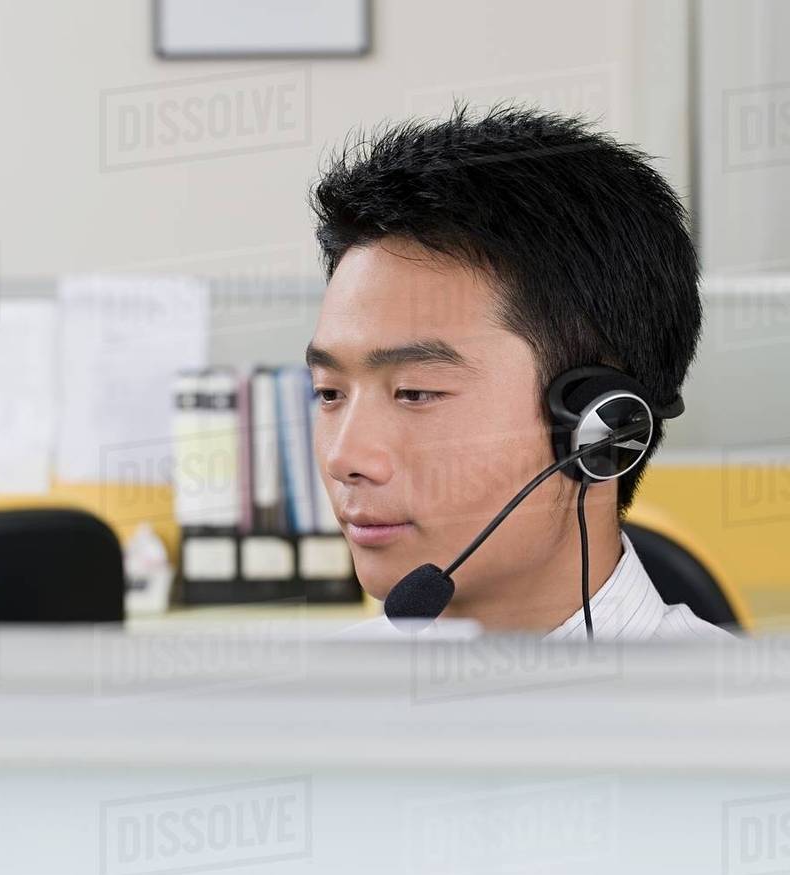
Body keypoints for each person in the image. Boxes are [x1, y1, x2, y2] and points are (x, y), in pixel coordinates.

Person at [306, 104, 728, 639]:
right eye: (328, 393)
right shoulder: (313, 702)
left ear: (602, 428)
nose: (345, 459)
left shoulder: (742, 717)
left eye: (414, 392)